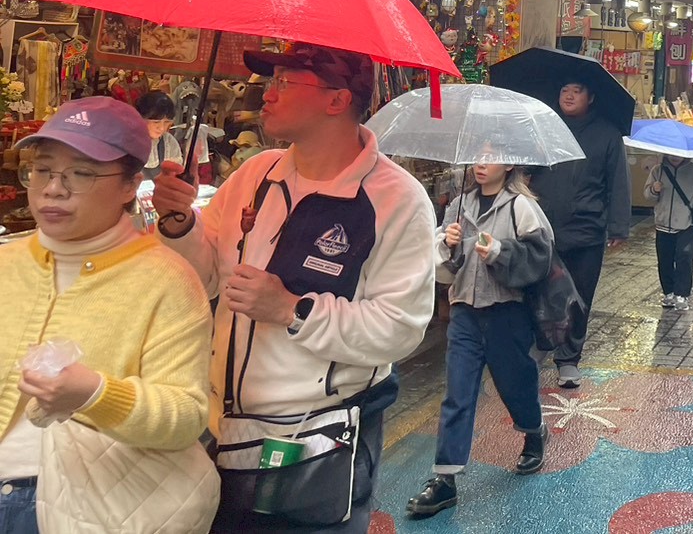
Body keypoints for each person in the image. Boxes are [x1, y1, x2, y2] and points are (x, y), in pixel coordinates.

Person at [151, 43, 437, 534]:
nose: (267, 93)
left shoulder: (396, 201)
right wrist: (180, 225)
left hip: (316, 441)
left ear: (336, 100)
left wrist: (292, 310)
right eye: (272, 79)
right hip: (221, 429)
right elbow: (208, 277)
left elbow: (399, 330)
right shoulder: (254, 175)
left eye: (285, 81)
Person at [1, 98, 214, 534]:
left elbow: (186, 415)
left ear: (129, 185)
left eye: (81, 173)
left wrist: (96, 393)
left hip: (74, 504)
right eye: (41, 169)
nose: (52, 189)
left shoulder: (167, 281)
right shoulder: (9, 262)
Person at [407, 158, 554, 518]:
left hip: (508, 313)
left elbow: (542, 258)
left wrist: (501, 252)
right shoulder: (459, 205)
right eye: (478, 158)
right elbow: (444, 269)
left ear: (509, 166)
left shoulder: (523, 206)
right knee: (457, 394)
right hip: (464, 314)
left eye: (492, 159)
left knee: (516, 385)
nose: (481, 166)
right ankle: (445, 479)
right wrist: (446, 244)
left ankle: (534, 430)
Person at [528, 77, 631, 389]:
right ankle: (541, 346)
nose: (569, 95)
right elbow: (524, 169)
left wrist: (618, 226)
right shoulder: (545, 128)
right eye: (564, 89)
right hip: (543, 228)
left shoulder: (607, 135)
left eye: (576, 90)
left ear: (591, 96)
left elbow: (618, 182)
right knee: (538, 291)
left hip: (587, 231)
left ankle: (569, 358)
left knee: (579, 298)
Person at [645, 154, 693, 310]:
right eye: (672, 154)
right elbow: (648, 196)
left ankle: (682, 294)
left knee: (685, 258)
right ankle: (668, 292)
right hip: (663, 224)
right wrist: (654, 189)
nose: (675, 157)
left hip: (686, 224)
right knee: (665, 260)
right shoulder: (658, 171)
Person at [135, 90, 210, 181]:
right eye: (156, 122)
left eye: (167, 122)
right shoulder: (129, 142)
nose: (162, 128)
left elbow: (176, 174)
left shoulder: (168, 142)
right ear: (141, 118)